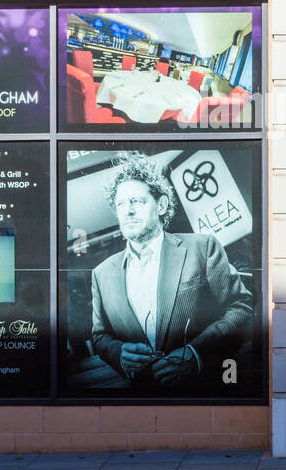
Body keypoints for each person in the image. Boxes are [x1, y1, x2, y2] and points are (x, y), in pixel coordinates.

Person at [89, 151, 252, 389]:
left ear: (162, 205)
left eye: (137, 201)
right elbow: (100, 337)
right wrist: (120, 354)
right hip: (140, 401)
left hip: (204, 393)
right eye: (121, 204)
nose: (128, 210)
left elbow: (240, 308)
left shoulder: (202, 247)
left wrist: (196, 354)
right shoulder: (101, 274)